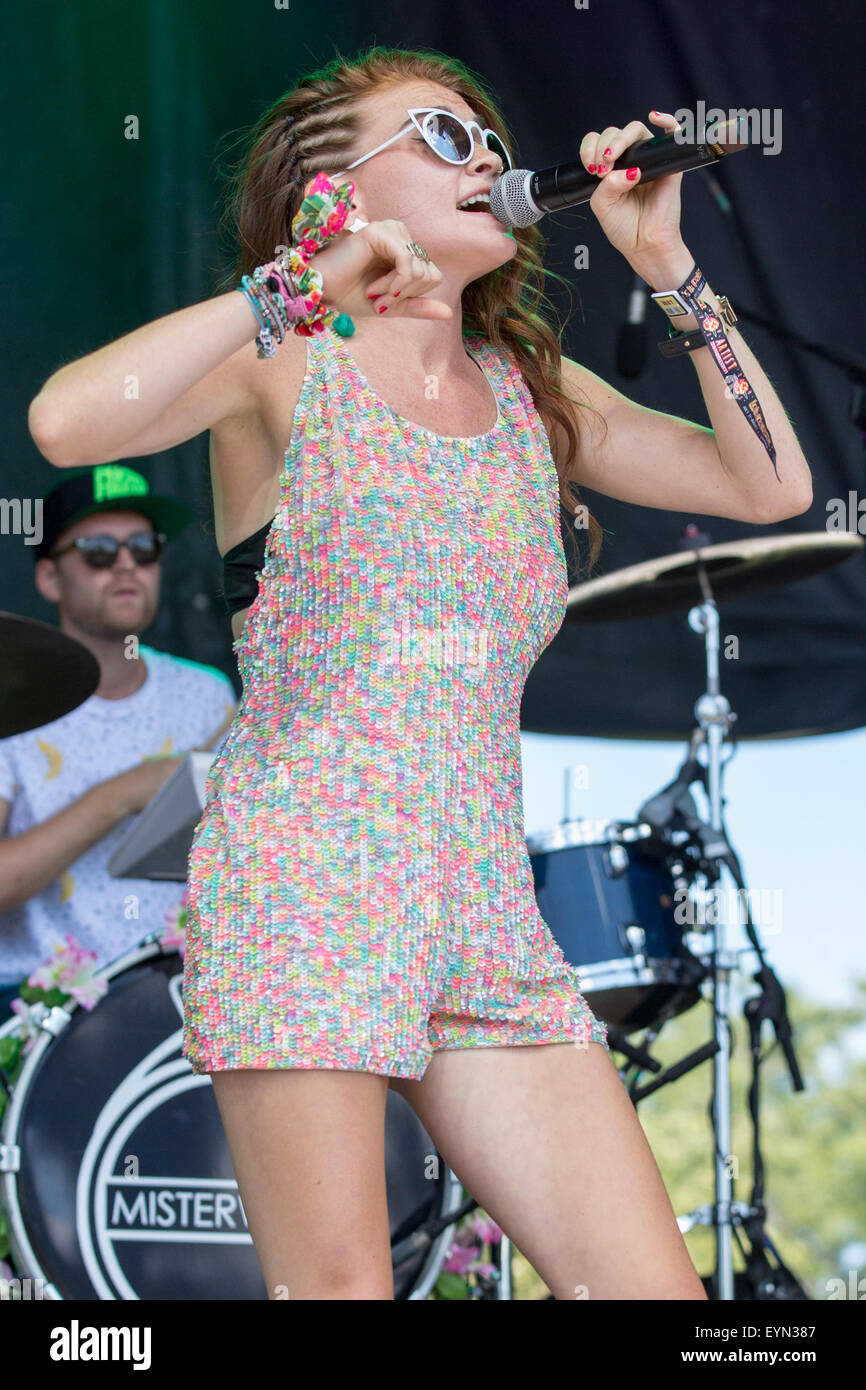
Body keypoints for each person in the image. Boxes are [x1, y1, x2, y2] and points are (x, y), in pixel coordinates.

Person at [26, 45, 812, 1301]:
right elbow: (66, 425)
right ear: (330, 188)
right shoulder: (283, 356)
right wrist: (300, 279)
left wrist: (667, 267)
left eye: (489, 140)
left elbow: (769, 487)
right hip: (307, 882)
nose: (489, 160)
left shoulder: (533, 392)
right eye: (444, 139)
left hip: (484, 911)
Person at [0, 466, 238, 1017]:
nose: (127, 564)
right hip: (42, 1010)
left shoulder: (206, 693)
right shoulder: (10, 701)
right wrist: (126, 793)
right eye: (99, 550)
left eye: (144, 548)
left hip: (188, 999)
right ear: (50, 579)